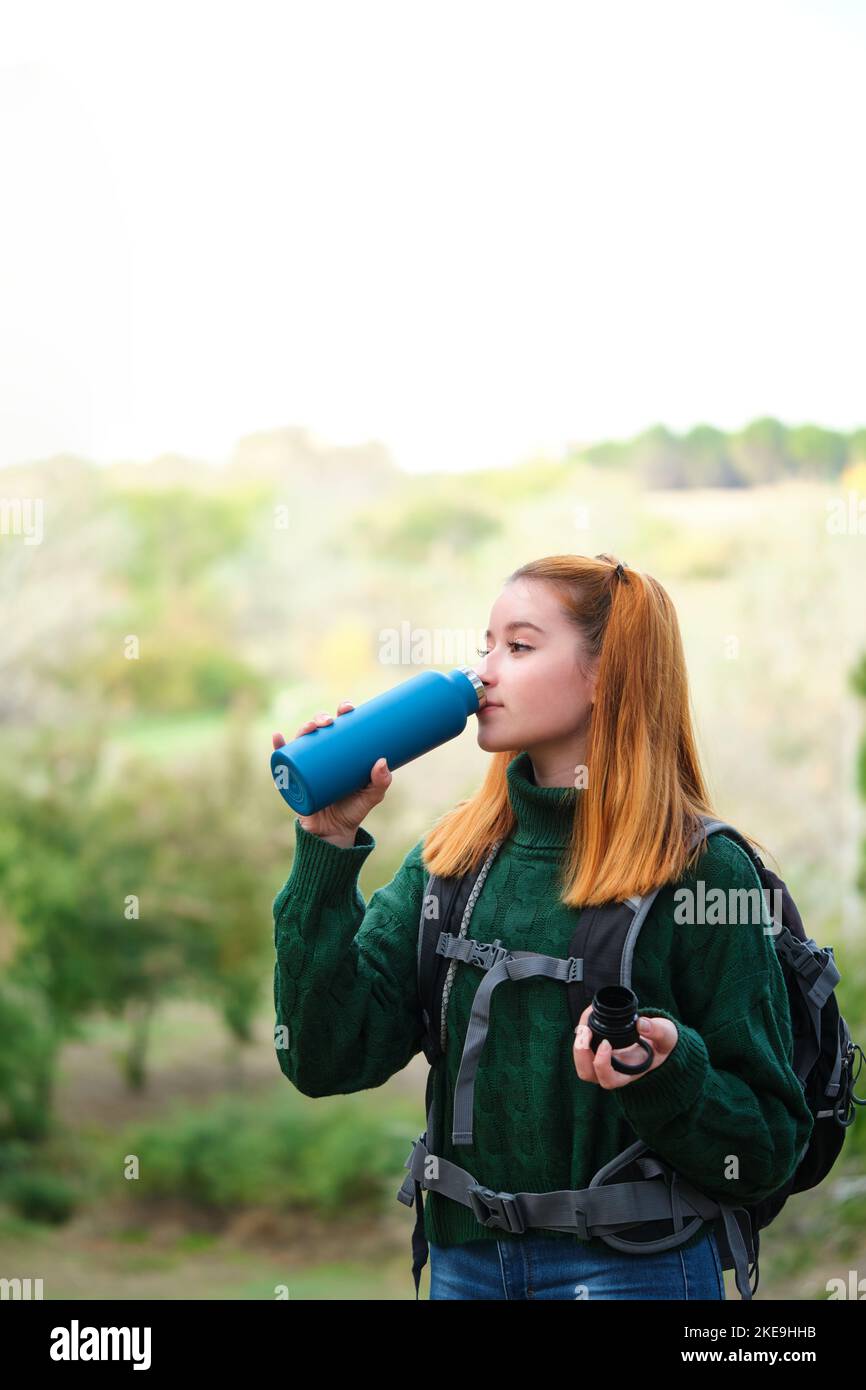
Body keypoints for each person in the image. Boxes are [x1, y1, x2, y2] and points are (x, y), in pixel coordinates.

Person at [271, 553, 813, 1300]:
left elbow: (767, 1148)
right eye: (485, 646)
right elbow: (324, 1058)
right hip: (463, 1269)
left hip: (634, 1270)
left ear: (605, 674)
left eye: (519, 647)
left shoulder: (703, 872)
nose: (484, 673)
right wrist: (325, 847)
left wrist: (666, 1070)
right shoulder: (451, 859)